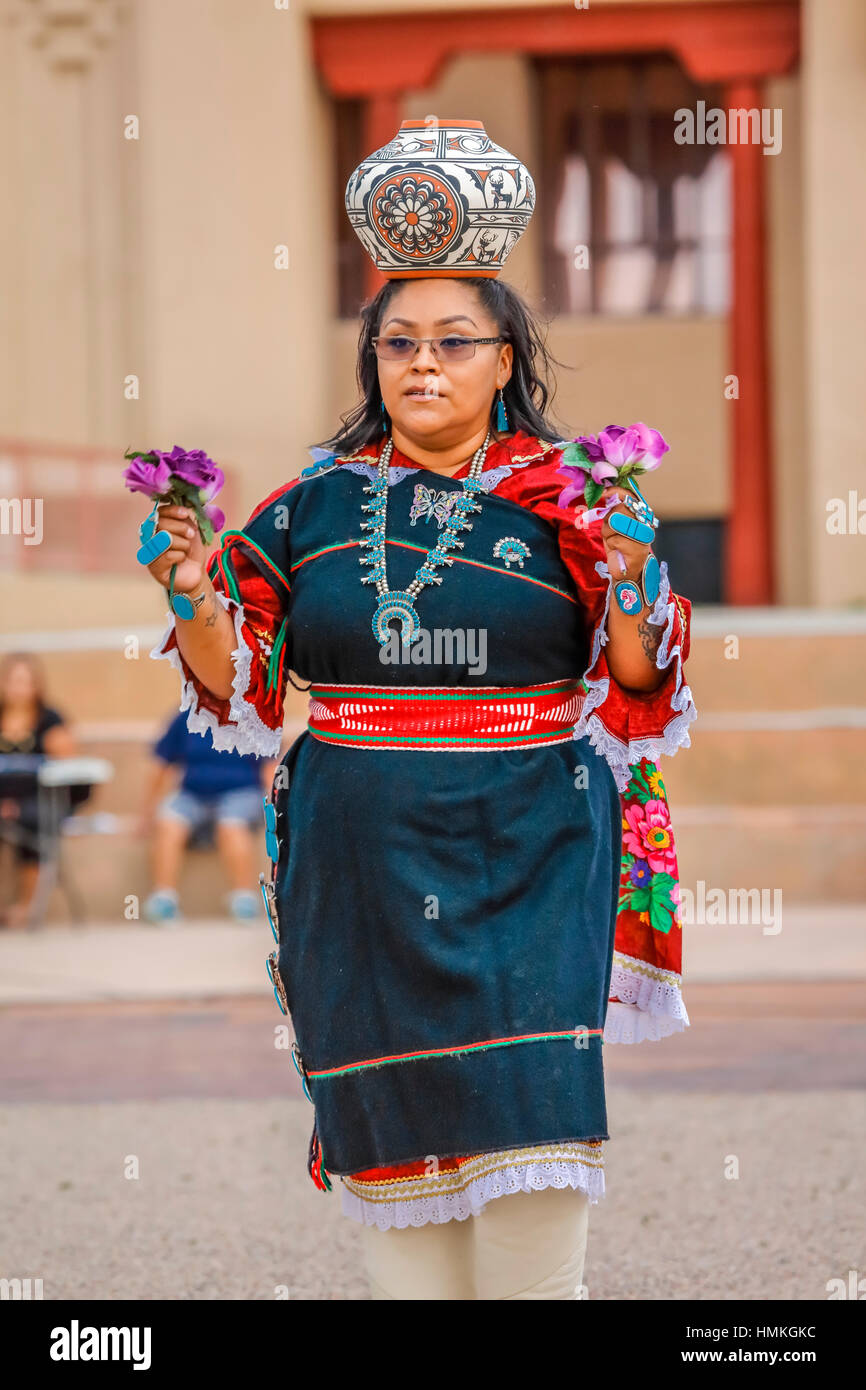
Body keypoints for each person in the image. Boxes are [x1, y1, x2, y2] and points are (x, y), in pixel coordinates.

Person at [142, 117, 696, 1299]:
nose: (422, 363)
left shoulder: (577, 502)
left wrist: (638, 580)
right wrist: (193, 591)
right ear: (371, 361)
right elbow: (240, 672)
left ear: (506, 357)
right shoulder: (306, 509)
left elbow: (637, 687)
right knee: (394, 1146)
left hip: (533, 847)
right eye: (397, 343)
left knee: (533, 1118)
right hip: (358, 855)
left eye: (454, 340)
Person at [140, 709, 275, 923]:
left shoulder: (252, 715)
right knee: (169, 821)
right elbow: (161, 765)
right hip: (193, 795)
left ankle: (244, 899)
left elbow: (270, 767)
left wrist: (275, 813)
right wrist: (147, 813)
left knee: (231, 824)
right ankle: (163, 899)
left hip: (242, 793)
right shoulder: (185, 717)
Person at [0, 651, 76, 928]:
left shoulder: (50, 719)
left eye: (25, 681)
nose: (19, 688)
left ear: (36, 686)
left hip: (37, 800)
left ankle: (25, 906)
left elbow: (66, 767)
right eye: (13, 680)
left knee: (34, 824)